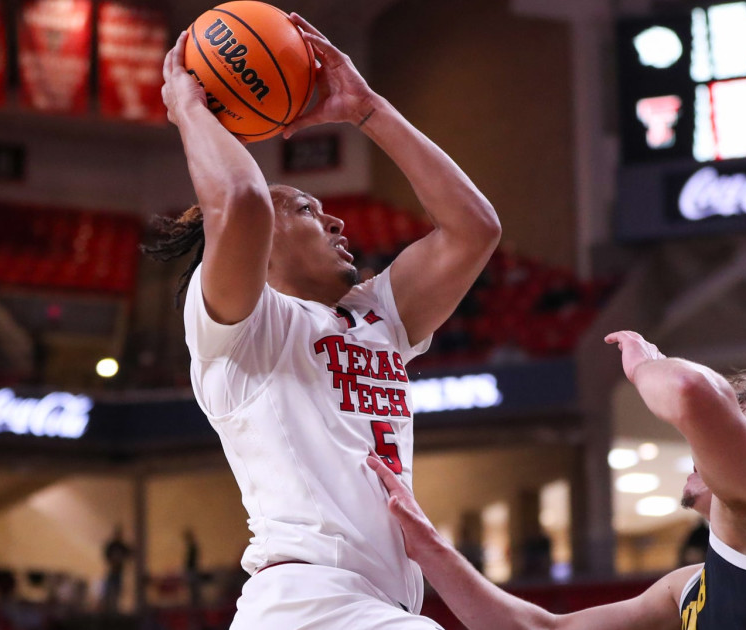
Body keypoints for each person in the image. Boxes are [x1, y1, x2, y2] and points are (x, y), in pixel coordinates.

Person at [143, 12, 499, 630]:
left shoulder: (376, 318)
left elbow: (475, 229)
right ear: (265, 246)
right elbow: (244, 201)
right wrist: (188, 107)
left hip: (365, 605)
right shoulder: (240, 327)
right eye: (308, 209)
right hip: (313, 601)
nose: (336, 223)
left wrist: (367, 109)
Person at [367, 330, 746, 629]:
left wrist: (645, 366)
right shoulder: (689, 587)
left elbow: (691, 388)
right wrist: (428, 547)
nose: (702, 443)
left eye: (737, 421)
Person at [102, 526, 132, 614]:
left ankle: (115, 608)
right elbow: (106, 555)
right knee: (109, 588)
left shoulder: (122, 545)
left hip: (119, 571)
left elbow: (129, 554)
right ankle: (107, 606)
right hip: (112, 570)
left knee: (117, 590)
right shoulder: (112, 545)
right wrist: (112, 562)